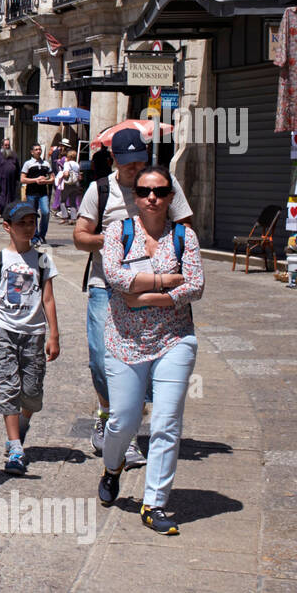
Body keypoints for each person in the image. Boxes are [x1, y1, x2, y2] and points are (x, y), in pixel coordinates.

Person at [74, 127, 194, 461]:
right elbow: (80, 236)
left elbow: (186, 227)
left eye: (139, 162)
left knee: (148, 360)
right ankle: (107, 414)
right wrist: (115, 242)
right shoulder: (100, 190)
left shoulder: (163, 185)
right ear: (114, 160)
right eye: (128, 165)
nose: (134, 170)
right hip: (106, 284)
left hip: (156, 284)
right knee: (101, 357)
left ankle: (125, 431)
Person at [97, 165, 204, 535]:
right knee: (123, 420)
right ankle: (112, 467)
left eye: (160, 191)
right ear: (135, 196)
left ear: (171, 196)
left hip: (175, 339)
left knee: (166, 422)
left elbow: (194, 286)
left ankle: (154, 503)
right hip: (124, 340)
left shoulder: (184, 237)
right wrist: (165, 283)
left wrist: (146, 296)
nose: (152, 198)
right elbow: (115, 277)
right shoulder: (117, 231)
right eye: (144, 191)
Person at [0, 201, 60, 474]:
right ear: (7, 227)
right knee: (7, 387)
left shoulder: (42, 260)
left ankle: (22, 425)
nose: (28, 228)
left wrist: (54, 335)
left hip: (34, 332)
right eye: (21, 223)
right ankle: (15, 447)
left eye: (31, 222)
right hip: (4, 330)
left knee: (32, 392)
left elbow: (48, 299)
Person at [20, 142, 55, 248]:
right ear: (32, 152)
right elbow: (22, 179)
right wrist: (36, 180)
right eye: (36, 149)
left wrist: (46, 181)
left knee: (46, 212)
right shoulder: (28, 164)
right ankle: (34, 237)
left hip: (43, 193)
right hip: (31, 193)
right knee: (33, 215)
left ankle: (42, 235)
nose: (38, 151)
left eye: (39, 149)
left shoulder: (46, 164)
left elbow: (53, 178)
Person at [0, 138, 20, 219]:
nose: (7, 147)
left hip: (11, 181)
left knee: (11, 197)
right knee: (2, 198)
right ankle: (2, 211)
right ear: (2, 146)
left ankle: (9, 212)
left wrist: (18, 178)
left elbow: (17, 167)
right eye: (6, 145)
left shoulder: (13, 155)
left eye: (8, 145)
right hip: (1, 180)